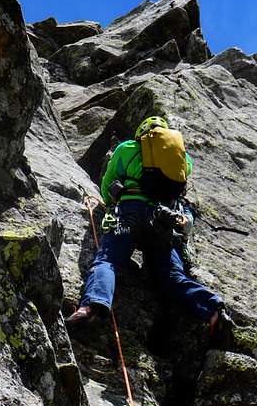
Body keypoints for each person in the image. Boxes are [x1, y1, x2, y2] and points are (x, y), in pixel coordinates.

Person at [66, 116, 233, 346]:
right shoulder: (183, 159)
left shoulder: (128, 148)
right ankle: (214, 310)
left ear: (142, 133)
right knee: (171, 275)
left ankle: (92, 306)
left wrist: (109, 202)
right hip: (163, 221)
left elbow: (108, 183)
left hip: (131, 212)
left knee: (108, 260)